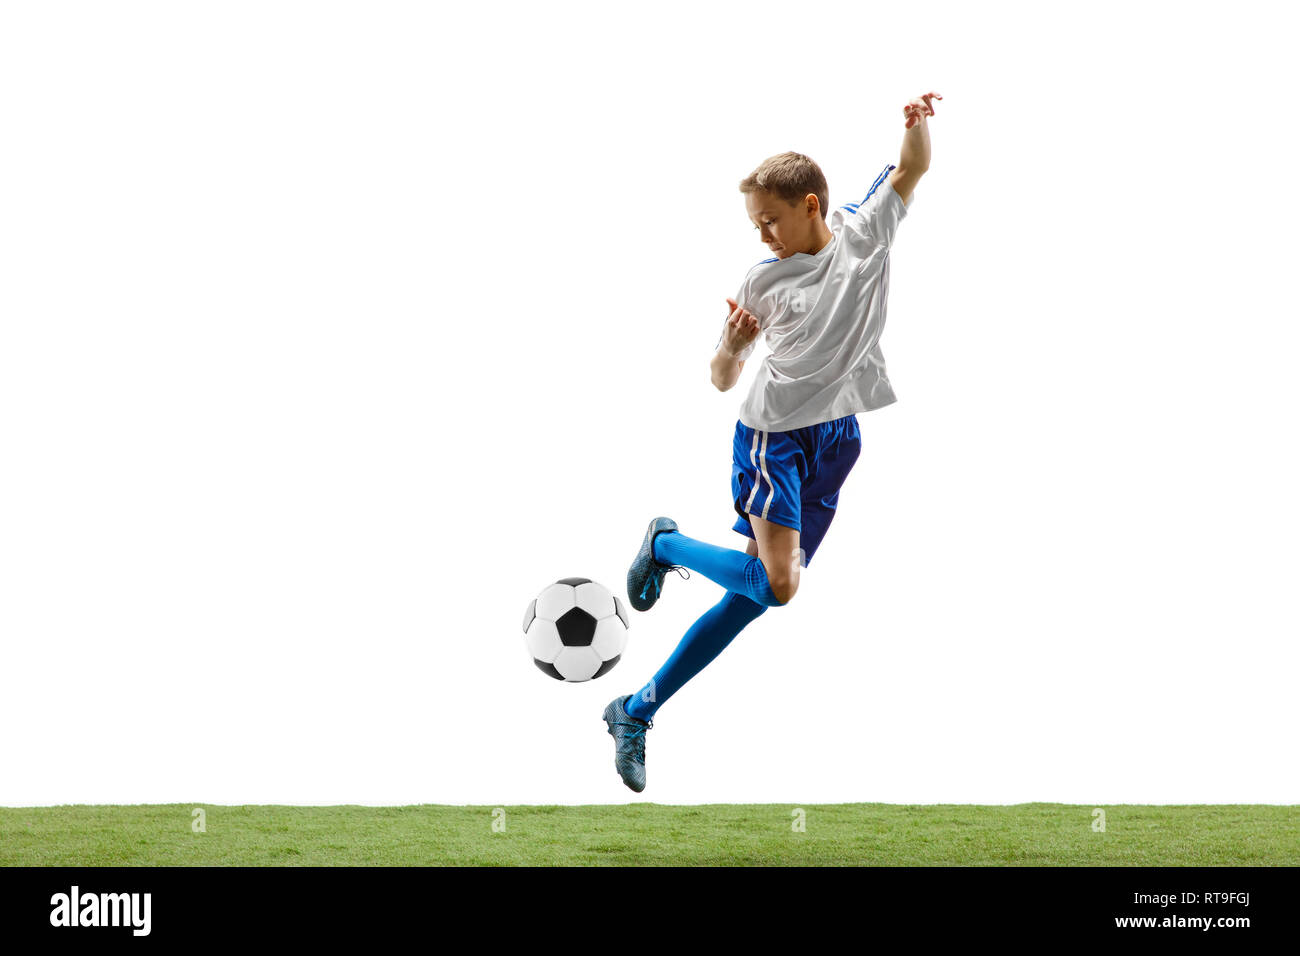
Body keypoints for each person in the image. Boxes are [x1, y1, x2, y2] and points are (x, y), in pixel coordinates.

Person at [603, 92, 943, 792]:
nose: (762, 235)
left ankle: (635, 710)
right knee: (779, 588)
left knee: (753, 597)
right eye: (755, 224)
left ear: (812, 206)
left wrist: (917, 123)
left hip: (837, 439)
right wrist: (731, 347)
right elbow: (722, 380)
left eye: (770, 221)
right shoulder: (763, 279)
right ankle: (664, 545)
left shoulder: (866, 231)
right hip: (772, 439)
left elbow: (911, 170)